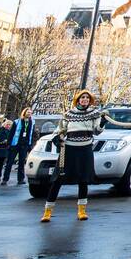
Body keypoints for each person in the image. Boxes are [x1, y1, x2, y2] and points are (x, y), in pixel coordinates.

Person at [41, 90, 108, 222]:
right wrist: (57, 137)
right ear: (77, 99)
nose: (85, 100)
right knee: (58, 180)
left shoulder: (94, 114)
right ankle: (47, 211)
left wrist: (102, 122)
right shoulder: (69, 114)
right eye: (82, 97)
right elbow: (60, 130)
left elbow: (97, 131)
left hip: (85, 148)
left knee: (83, 180)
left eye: (87, 98)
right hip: (69, 148)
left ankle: (82, 211)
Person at [2, 109, 36, 186]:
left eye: (31, 113)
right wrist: (9, 144)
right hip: (15, 144)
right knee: (9, 163)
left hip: (25, 145)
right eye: (28, 112)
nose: (29, 114)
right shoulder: (17, 122)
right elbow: (11, 133)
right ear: (24, 113)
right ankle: (5, 179)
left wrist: (30, 145)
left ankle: (20, 179)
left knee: (21, 163)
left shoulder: (32, 122)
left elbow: (32, 134)